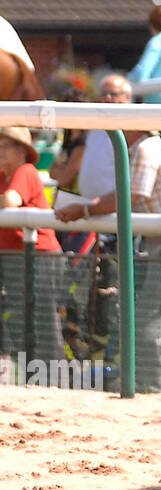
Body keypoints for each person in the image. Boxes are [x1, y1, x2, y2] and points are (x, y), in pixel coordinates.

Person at [57, 128, 161, 395]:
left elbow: (132, 195)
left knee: (152, 322)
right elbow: (129, 196)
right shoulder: (149, 149)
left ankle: (158, 388)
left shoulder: (146, 149)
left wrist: (85, 208)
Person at [0, 127, 63, 367]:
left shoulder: (25, 171)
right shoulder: (4, 175)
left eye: (6, 146)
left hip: (39, 257)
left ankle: (54, 379)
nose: (0, 151)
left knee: (43, 321)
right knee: (26, 319)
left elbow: (10, 201)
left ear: (21, 151)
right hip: (18, 259)